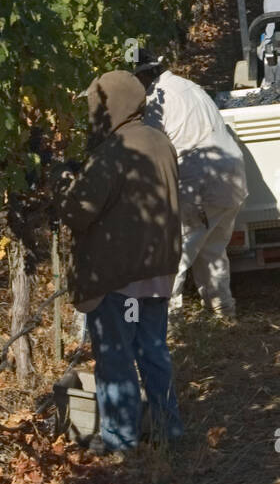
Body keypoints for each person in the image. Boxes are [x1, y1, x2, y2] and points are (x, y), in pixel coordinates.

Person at [57, 71, 182, 455]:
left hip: (121, 277)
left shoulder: (113, 152)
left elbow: (78, 212)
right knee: (153, 351)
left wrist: (65, 185)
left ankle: (120, 439)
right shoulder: (159, 141)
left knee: (117, 357)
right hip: (157, 271)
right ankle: (168, 428)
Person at [134, 54, 248, 320]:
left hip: (200, 184)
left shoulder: (157, 101)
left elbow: (154, 150)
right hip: (231, 178)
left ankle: (166, 325)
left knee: (173, 255)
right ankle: (223, 314)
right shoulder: (189, 86)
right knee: (212, 251)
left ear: (142, 76)